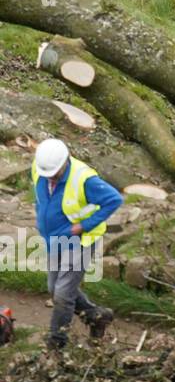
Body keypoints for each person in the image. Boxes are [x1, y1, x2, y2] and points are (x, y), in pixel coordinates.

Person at [31, 138, 120, 350]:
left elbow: (114, 199)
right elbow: (41, 197)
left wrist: (84, 226)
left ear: (65, 161)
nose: (50, 177)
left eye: (54, 172)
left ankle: (57, 343)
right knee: (55, 289)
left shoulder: (84, 179)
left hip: (79, 241)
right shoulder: (39, 168)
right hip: (54, 238)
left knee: (62, 294)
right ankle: (96, 316)